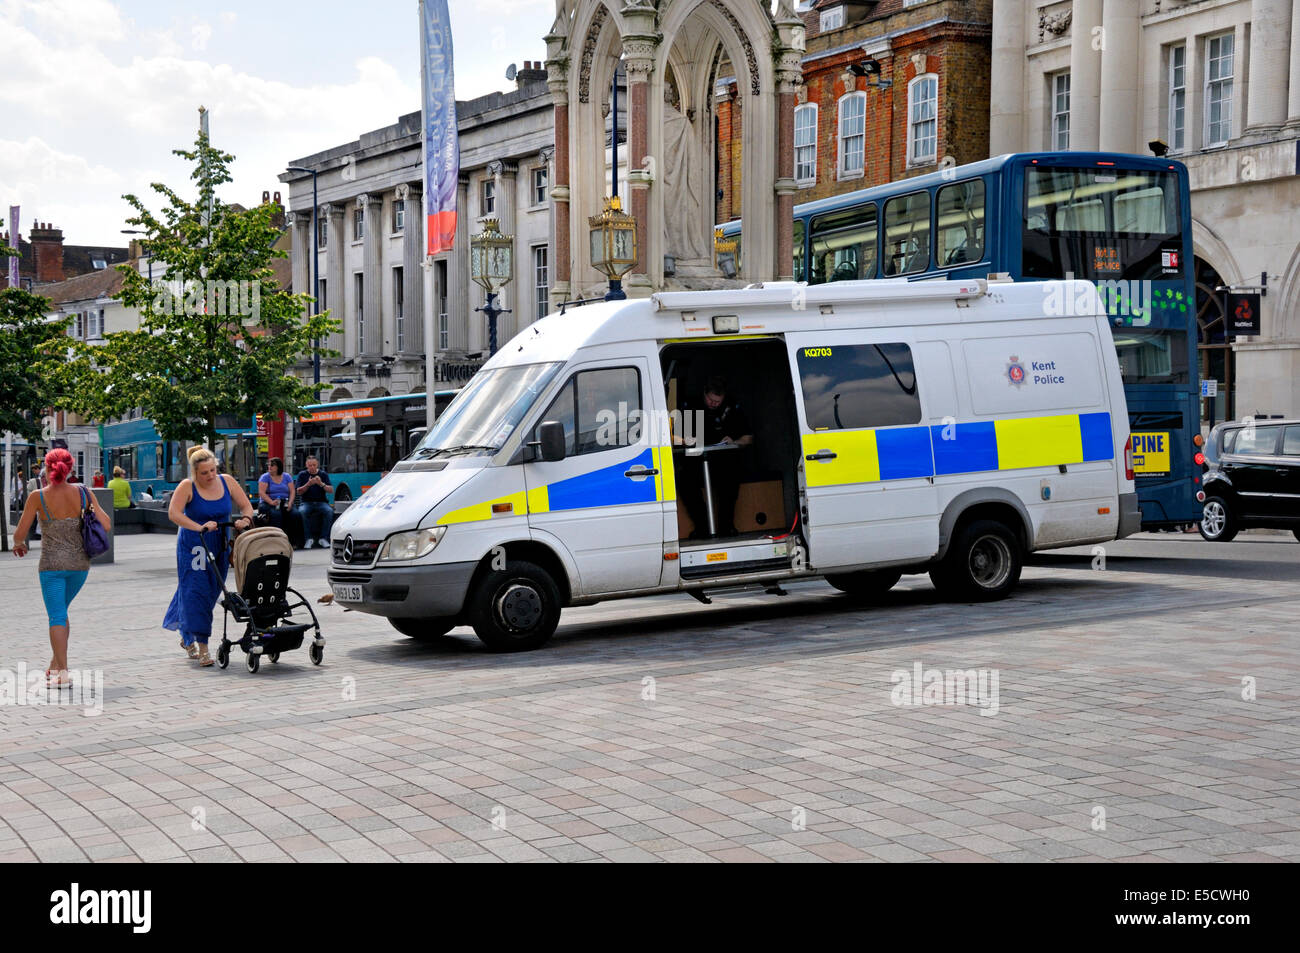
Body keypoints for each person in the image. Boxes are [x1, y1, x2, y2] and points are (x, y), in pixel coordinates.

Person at [11, 448, 111, 689]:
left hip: (51, 567)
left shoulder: (38, 496)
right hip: (80, 566)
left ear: (46, 468)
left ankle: (63, 672)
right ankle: (56, 663)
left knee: (56, 616)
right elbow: (106, 524)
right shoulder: (84, 492)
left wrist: (18, 544)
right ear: (70, 468)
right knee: (61, 614)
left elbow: (20, 532)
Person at [163, 447, 255, 666]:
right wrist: (199, 526)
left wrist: (244, 519)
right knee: (197, 592)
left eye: (213, 470)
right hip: (194, 545)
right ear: (195, 473)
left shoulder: (227, 481)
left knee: (210, 591)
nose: (210, 476)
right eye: (204, 473)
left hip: (220, 545)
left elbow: (246, 506)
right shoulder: (187, 486)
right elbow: (173, 513)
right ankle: (202, 646)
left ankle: (187, 634)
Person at [677, 375, 753, 539]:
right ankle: (703, 528)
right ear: (704, 393)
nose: (714, 404)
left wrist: (735, 441)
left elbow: (748, 437)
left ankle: (727, 528)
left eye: (718, 401)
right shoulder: (691, 406)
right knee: (685, 482)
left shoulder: (731, 407)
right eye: (711, 400)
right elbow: (674, 437)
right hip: (695, 461)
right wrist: (686, 440)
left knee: (731, 482)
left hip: (724, 461)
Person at [295, 456, 334, 549]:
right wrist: (308, 484)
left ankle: (323, 538)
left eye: (314, 465)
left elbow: (331, 490)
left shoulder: (323, 474)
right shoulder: (302, 475)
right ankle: (308, 539)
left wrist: (321, 484)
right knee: (302, 512)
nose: (312, 467)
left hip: (321, 502)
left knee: (329, 511)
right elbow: (298, 491)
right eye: (310, 465)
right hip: (306, 502)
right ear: (306, 465)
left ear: (317, 465)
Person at [257, 457, 296, 531]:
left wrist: (290, 503)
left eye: (272, 465)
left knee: (295, 514)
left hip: (284, 501)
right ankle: (277, 537)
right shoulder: (265, 477)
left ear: (278, 466)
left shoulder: (287, 476)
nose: (269, 467)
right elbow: (261, 493)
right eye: (268, 465)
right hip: (268, 502)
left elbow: (292, 491)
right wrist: (271, 502)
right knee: (276, 515)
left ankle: (293, 539)